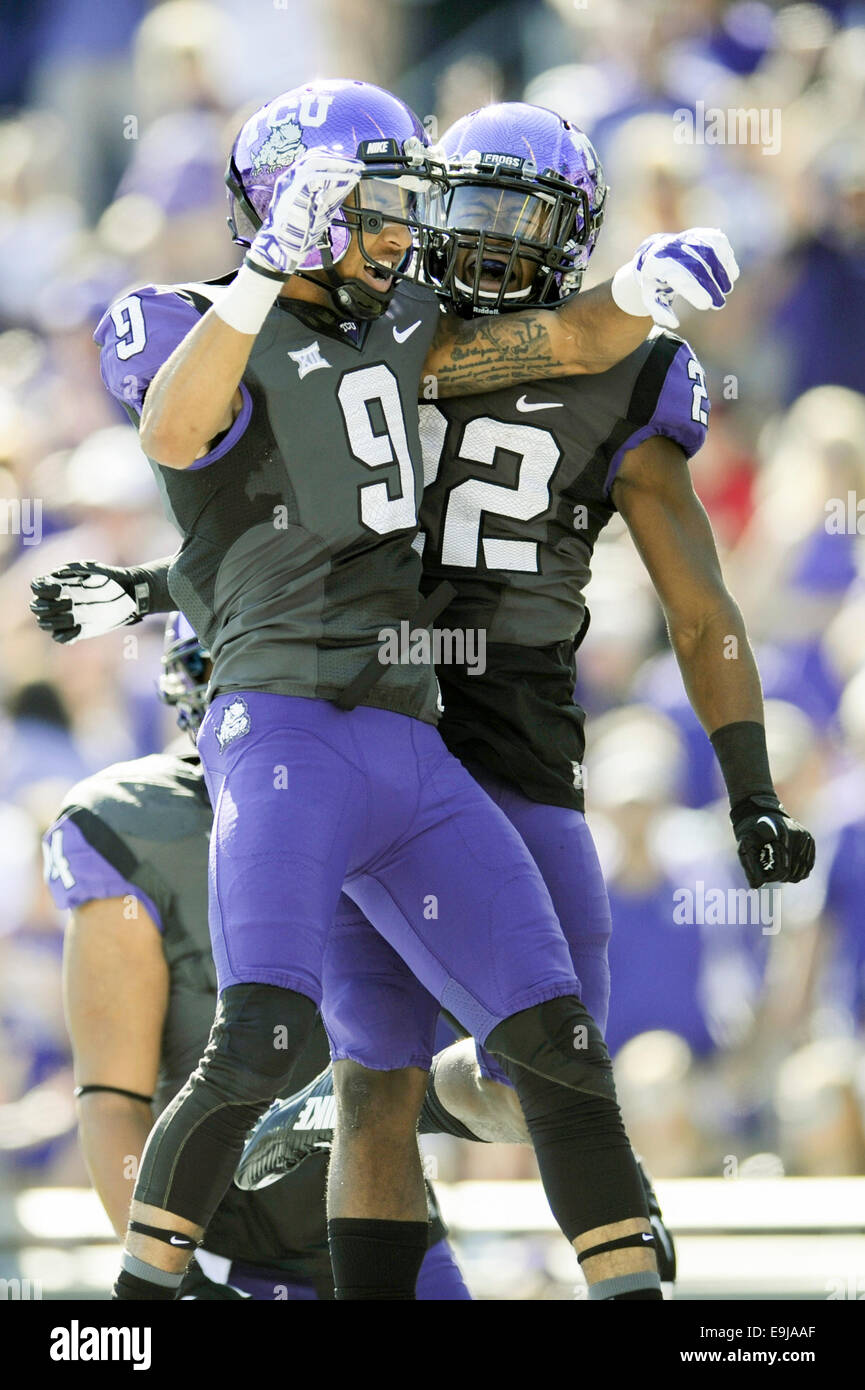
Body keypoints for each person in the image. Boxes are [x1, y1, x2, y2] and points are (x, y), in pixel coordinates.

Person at [31, 77, 739, 1302]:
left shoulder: (402, 322)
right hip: (285, 722)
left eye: (410, 206)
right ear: (284, 209)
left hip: (411, 733)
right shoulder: (174, 315)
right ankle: (136, 1317)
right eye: (382, 207)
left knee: (562, 1054)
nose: (408, 236)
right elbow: (178, 436)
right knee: (263, 1041)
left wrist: (637, 288)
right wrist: (259, 275)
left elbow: (556, 345)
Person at [221, 100, 812, 1242]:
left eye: (518, 212)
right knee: (375, 1084)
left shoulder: (627, 372)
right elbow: (248, 489)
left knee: (548, 1077)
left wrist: (750, 784)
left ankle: (349, 1112)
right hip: (372, 708)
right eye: (471, 205)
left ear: (571, 231)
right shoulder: (382, 321)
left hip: (520, 727)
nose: (490, 237)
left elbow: (701, 609)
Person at [43, 613, 470, 1300]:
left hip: (401, 1233)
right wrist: (170, 1278)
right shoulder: (134, 825)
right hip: (231, 1260)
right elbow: (110, 1097)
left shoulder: (390, 800)